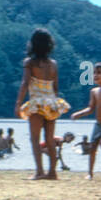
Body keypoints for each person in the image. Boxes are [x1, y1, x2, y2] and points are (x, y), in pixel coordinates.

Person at [16, 29, 70, 181]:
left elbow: (25, 83)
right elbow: (56, 87)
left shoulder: (30, 63)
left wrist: (18, 103)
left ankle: (39, 171)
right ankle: (52, 172)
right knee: (50, 138)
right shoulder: (53, 64)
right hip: (51, 102)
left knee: (35, 138)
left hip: (37, 102)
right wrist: (53, 101)